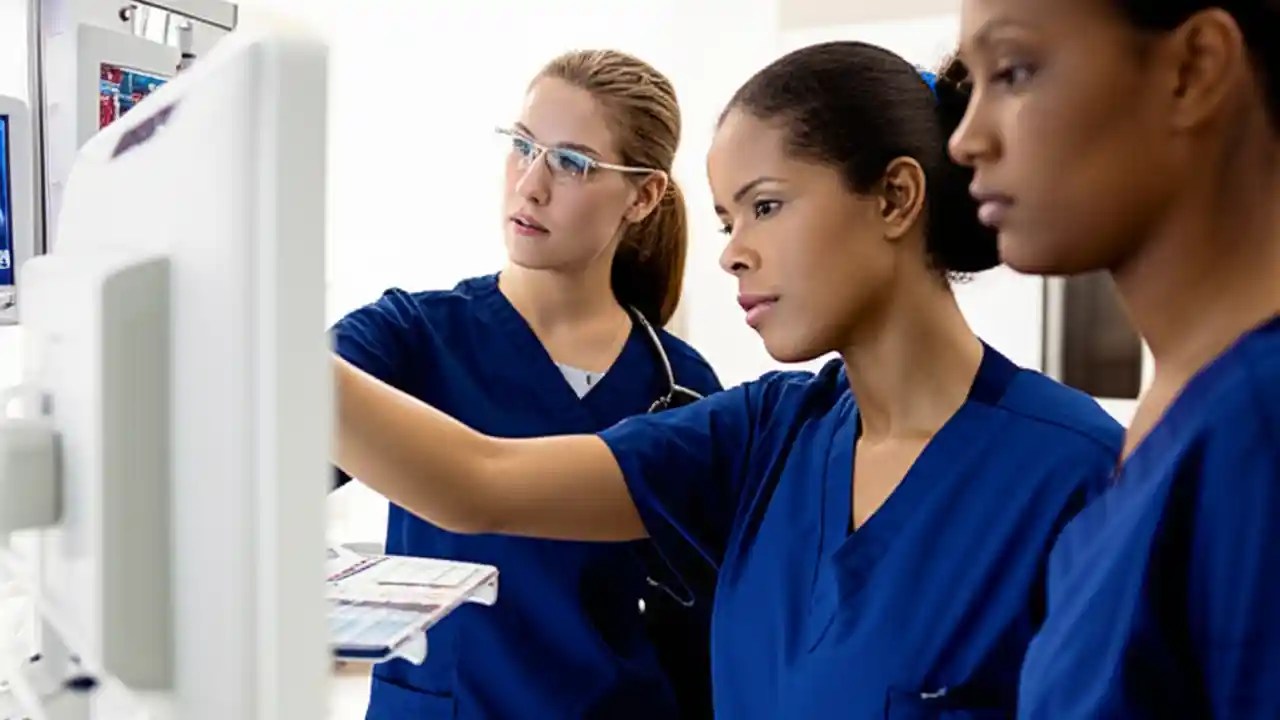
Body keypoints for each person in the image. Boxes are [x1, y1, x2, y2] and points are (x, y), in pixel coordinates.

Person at [333, 42, 1124, 718]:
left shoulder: (1076, 476)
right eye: (725, 221)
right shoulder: (756, 440)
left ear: (895, 197)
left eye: (766, 207)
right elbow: (480, 482)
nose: (732, 252)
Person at [330, 49, 722, 720]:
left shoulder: (681, 387)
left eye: (571, 163)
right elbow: (271, 429)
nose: (530, 185)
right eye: (522, 147)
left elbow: (700, 631)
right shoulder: (411, 337)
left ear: (644, 195)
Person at [950, 1, 1280, 718]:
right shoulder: (1186, 419)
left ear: (1192, 70)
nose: (966, 139)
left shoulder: (1259, 430)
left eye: (1014, 71)